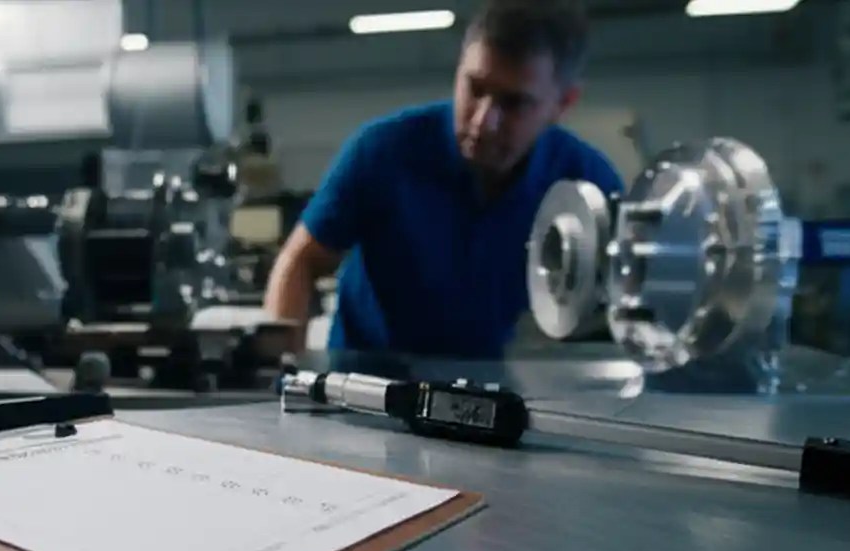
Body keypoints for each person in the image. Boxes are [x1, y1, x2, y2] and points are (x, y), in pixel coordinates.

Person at [263, 0, 623, 359]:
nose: (483, 122)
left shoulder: (587, 185)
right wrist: (279, 366)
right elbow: (301, 261)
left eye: (514, 103)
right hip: (365, 383)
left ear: (563, 103)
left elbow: (620, 304)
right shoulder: (382, 152)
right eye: (475, 88)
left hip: (501, 384)